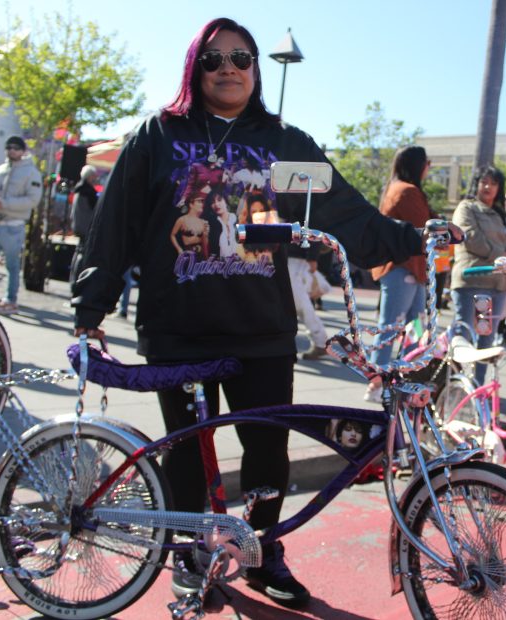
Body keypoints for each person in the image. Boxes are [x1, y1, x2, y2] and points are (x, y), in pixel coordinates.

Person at [70, 18, 446, 608]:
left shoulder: (285, 143)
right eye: (214, 59)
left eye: (241, 58)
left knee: (268, 451)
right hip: (178, 328)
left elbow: (344, 214)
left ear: (255, 69)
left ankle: (261, 550)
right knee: (188, 454)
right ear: (195, 67)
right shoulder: (159, 134)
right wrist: (91, 304)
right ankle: (189, 554)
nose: (228, 68)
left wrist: (411, 239)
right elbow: (114, 223)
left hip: (262, 331)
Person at [365, 145, 432, 403]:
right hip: (403, 268)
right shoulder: (407, 191)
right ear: (418, 165)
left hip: (409, 270)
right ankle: (377, 383)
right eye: (427, 163)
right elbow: (425, 227)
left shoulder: (399, 188)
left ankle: (403, 380)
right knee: (393, 326)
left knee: (413, 325)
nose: (429, 168)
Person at [451, 165, 506, 384]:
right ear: (477, 184)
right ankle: (452, 385)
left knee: (486, 341)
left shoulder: (502, 216)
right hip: (471, 280)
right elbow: (470, 238)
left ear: (499, 188)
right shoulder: (467, 207)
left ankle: (477, 388)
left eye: (493, 183)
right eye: (484, 182)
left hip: (497, 285)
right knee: (464, 336)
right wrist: (505, 256)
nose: (488, 187)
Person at [0, 136, 42, 314]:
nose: (12, 151)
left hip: (14, 224)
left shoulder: (31, 172)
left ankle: (10, 300)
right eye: (9, 147)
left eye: (16, 148)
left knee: (12, 265)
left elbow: (33, 200)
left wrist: (5, 203)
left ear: (23, 151)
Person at [70, 165, 99, 290]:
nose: (96, 178)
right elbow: (96, 210)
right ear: (89, 176)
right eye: (94, 176)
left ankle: (74, 280)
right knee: (82, 255)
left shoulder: (78, 189)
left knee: (78, 253)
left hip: (78, 226)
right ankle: (77, 281)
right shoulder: (88, 191)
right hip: (85, 227)